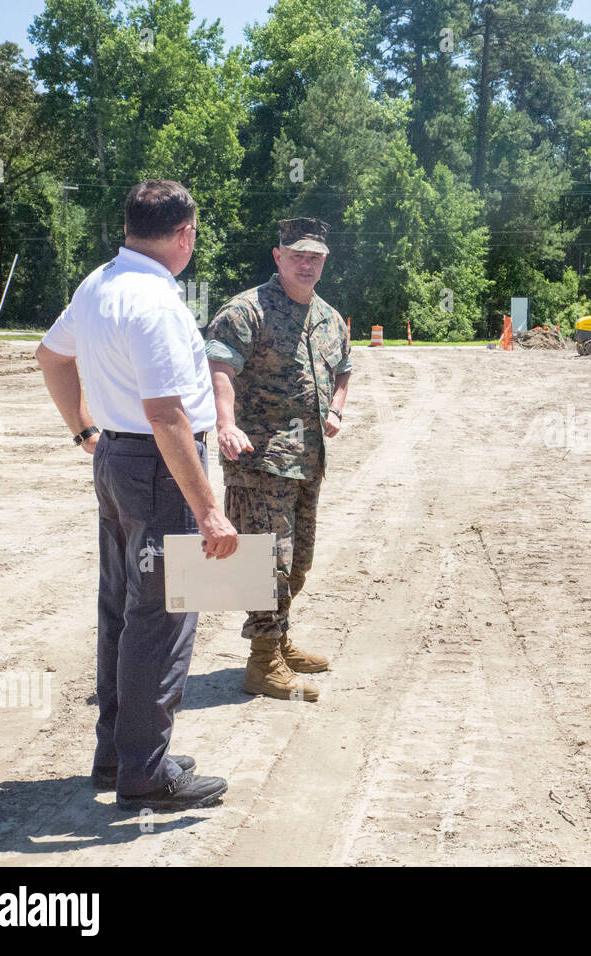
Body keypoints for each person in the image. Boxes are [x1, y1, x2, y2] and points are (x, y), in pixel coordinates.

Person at [35, 180, 236, 811]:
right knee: (164, 616)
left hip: (117, 458)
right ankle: (146, 773)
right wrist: (209, 511)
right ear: (184, 234)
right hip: (157, 465)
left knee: (122, 609)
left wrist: (84, 430)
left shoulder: (98, 285)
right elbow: (168, 414)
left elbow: (50, 356)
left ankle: (119, 753)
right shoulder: (156, 302)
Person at [205, 218, 352, 702]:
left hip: (308, 460)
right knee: (269, 561)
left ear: (325, 260)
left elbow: (345, 369)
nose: (307, 263)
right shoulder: (248, 310)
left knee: (300, 560)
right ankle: (262, 662)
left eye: (316, 257)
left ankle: (280, 639)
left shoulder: (329, 317)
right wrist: (226, 422)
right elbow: (219, 365)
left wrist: (335, 408)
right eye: (298, 255)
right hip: (260, 459)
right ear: (278, 255)